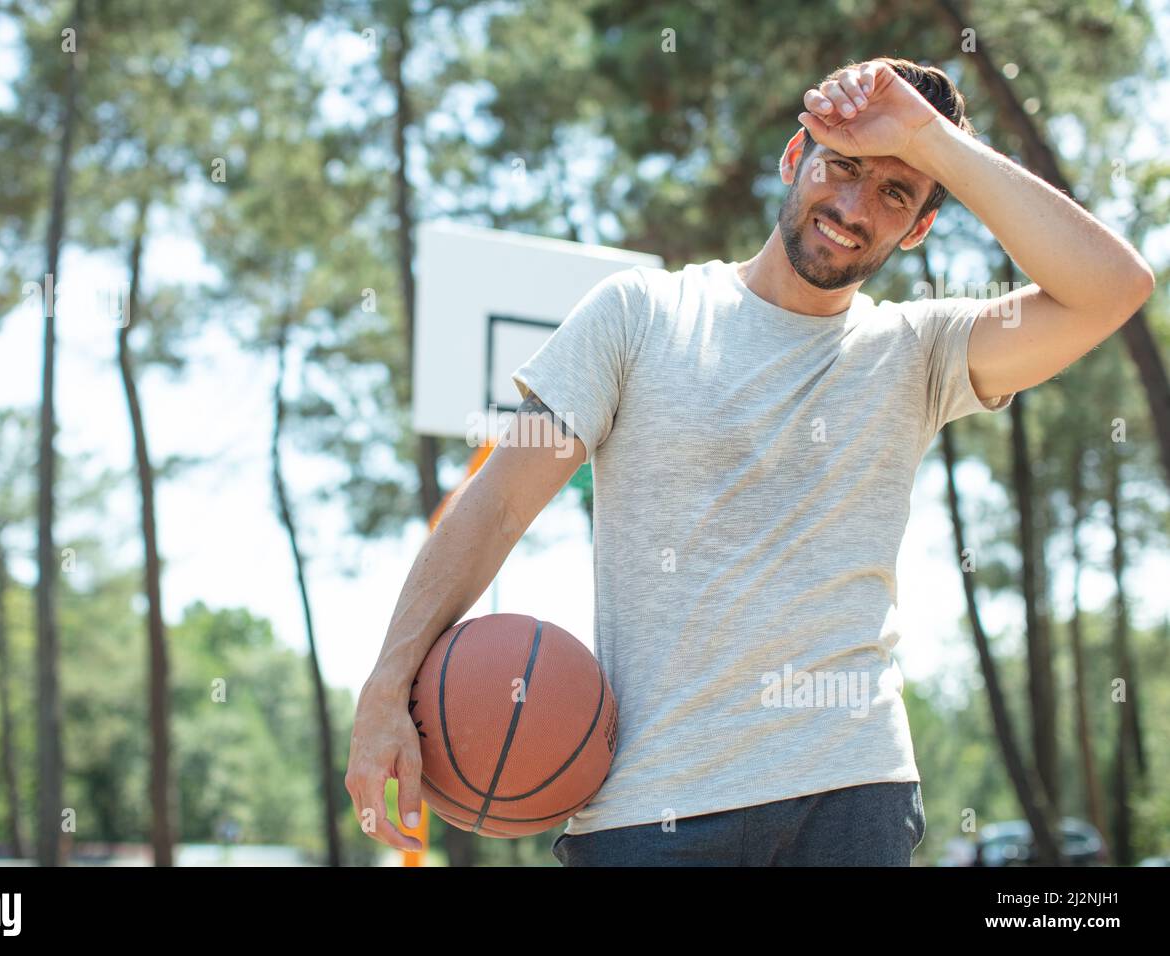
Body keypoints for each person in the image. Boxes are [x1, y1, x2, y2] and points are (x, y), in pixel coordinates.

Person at [345, 56, 1155, 866]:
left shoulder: (917, 350)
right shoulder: (641, 314)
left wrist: (930, 141)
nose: (853, 206)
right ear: (792, 157)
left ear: (918, 229)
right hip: (654, 804)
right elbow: (496, 507)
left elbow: (1111, 289)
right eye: (840, 167)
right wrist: (388, 685)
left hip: (855, 793)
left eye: (895, 194)